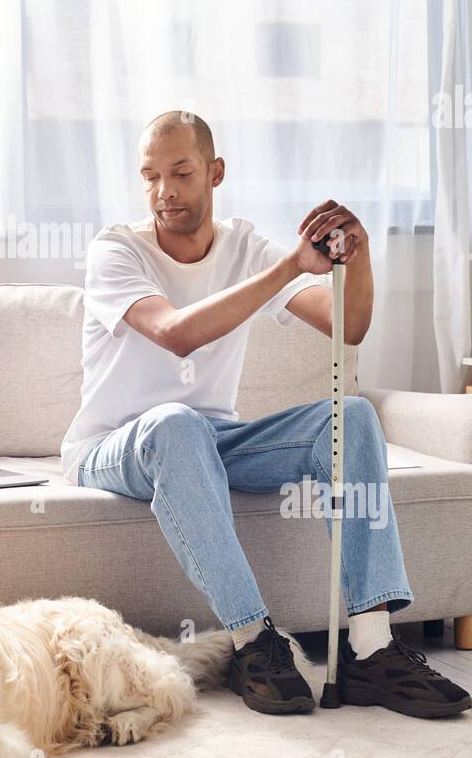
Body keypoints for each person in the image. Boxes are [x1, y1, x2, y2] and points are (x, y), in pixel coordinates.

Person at [61, 109, 470, 719]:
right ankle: (255, 642)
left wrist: (354, 256)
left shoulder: (245, 245)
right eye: (150, 176)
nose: (164, 192)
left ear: (215, 172)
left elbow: (347, 326)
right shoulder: (116, 250)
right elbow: (176, 333)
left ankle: (371, 650)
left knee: (352, 416)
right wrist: (287, 267)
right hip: (116, 446)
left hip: (212, 440)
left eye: (181, 173)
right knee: (176, 422)